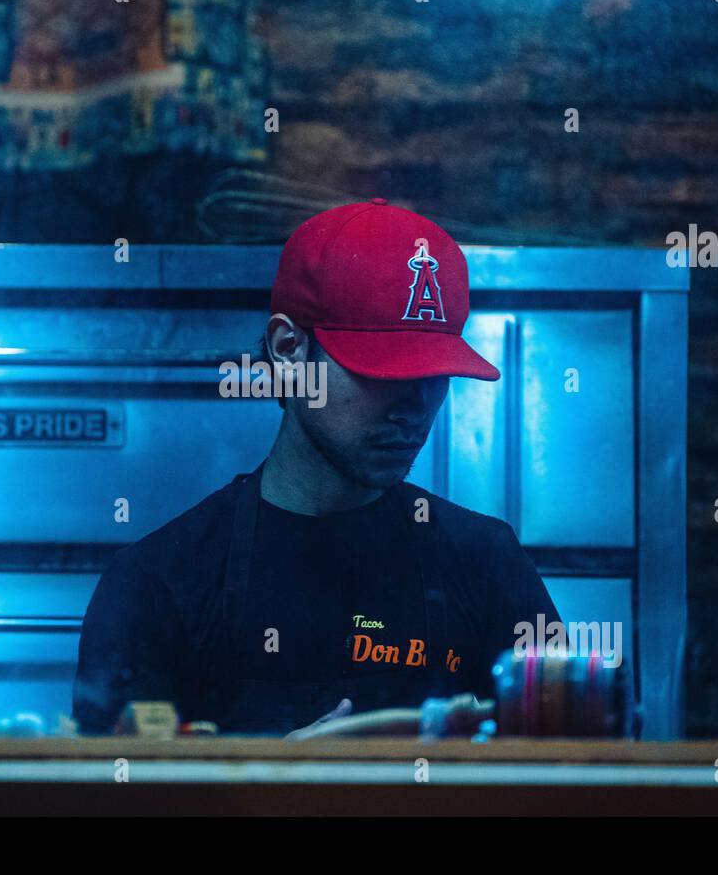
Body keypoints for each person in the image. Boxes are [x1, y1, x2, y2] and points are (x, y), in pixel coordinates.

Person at [74, 198, 559, 735]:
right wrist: (282, 778)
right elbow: (111, 807)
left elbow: (577, 783)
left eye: (435, 374)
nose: (415, 407)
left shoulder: (487, 564)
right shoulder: (156, 584)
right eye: (384, 372)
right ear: (288, 350)